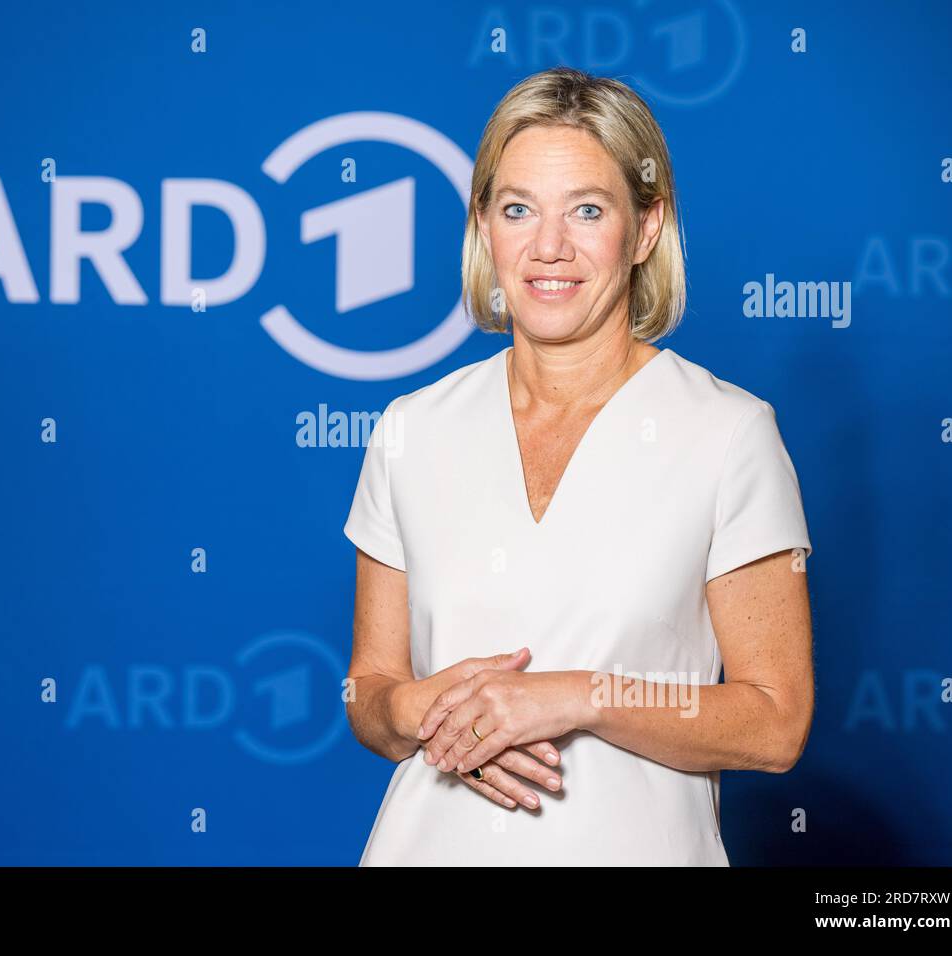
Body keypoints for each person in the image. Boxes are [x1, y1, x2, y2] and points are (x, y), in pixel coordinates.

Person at [342, 66, 815, 865]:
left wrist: (577, 697)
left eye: (587, 211)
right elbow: (370, 695)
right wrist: (429, 708)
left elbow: (776, 724)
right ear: (484, 226)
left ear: (646, 229)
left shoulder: (729, 433)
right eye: (518, 208)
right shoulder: (410, 430)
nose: (548, 247)